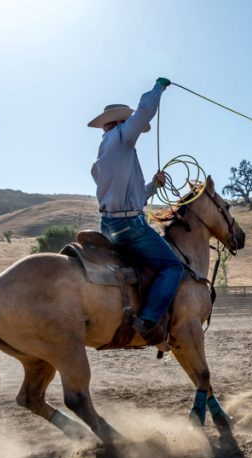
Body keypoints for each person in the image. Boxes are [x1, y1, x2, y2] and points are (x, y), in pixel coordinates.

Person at [88, 77, 184, 344]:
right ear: (120, 123)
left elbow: (135, 196)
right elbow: (144, 111)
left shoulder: (105, 154)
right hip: (130, 227)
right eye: (128, 123)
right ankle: (149, 319)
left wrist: (153, 185)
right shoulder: (121, 138)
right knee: (172, 267)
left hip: (108, 226)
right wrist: (158, 88)